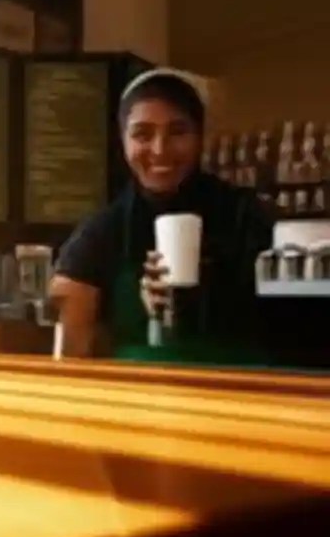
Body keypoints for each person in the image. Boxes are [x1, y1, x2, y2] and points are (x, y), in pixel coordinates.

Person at [49, 69, 274, 364]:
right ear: (123, 140)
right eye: (142, 134)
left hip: (243, 384)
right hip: (138, 387)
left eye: (177, 132)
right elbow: (70, 347)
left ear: (200, 136)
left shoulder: (246, 216)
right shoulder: (102, 232)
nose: (160, 150)